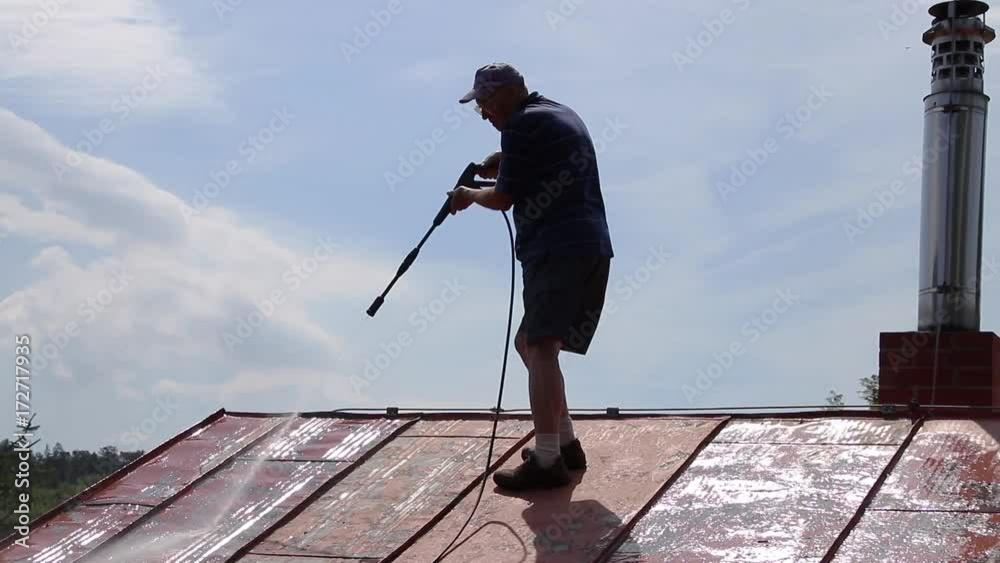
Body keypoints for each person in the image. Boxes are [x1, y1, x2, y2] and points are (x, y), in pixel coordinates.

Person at [448, 62, 614, 491]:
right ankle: (565, 444)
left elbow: (503, 197)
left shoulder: (520, 124)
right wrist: (504, 160)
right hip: (588, 247)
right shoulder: (556, 112)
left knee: (540, 347)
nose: (484, 114)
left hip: (557, 249)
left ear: (506, 93)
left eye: (485, 103)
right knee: (530, 342)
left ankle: (546, 460)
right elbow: (546, 158)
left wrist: (468, 195)